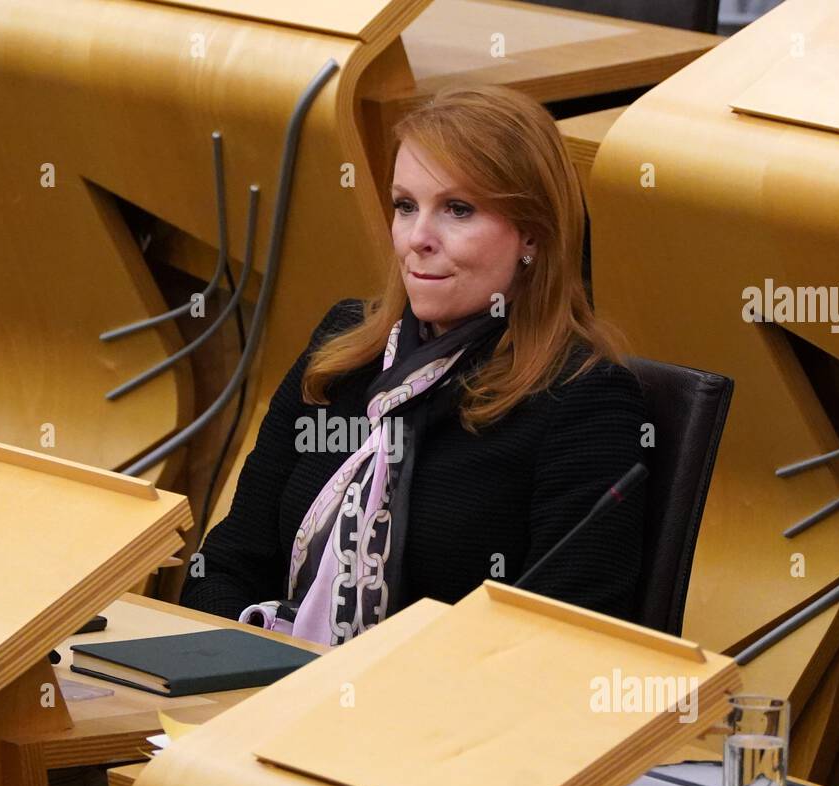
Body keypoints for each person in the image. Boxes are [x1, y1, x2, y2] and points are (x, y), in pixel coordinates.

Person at [180, 85, 646, 645]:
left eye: (458, 209)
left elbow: (555, 647)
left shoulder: (583, 400)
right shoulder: (343, 352)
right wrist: (257, 677)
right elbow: (225, 566)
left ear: (533, 234)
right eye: (405, 206)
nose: (417, 239)